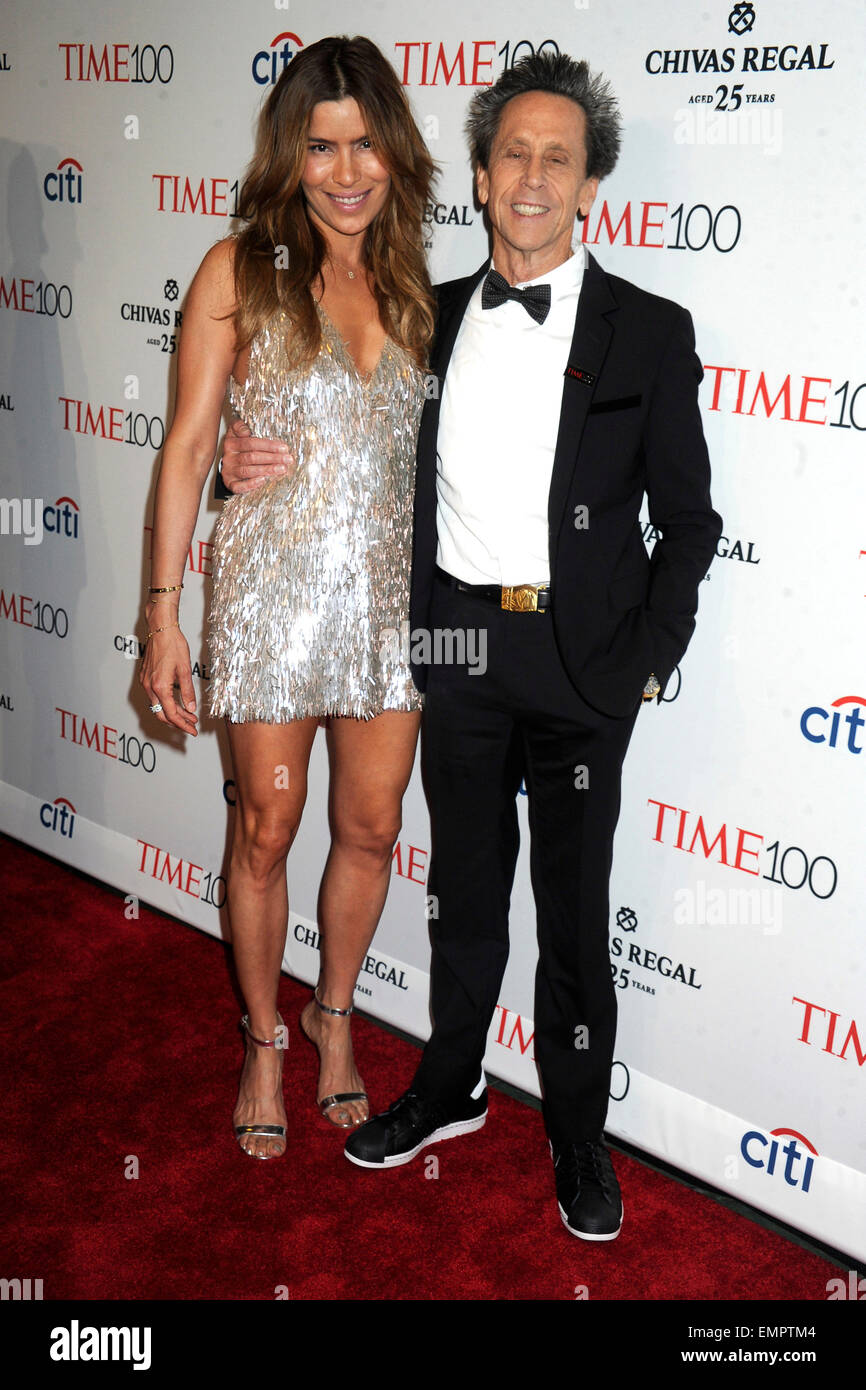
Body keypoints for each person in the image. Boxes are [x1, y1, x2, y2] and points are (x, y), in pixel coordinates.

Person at [221, 51, 722, 1235]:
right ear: (482, 174)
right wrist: (242, 461)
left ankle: (578, 1134)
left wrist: (649, 652)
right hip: (451, 651)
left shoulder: (648, 331)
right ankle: (447, 1087)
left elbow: (689, 518)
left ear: (589, 182)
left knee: (575, 912)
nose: (533, 177)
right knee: (460, 892)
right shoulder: (425, 313)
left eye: (558, 158)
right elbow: (334, 434)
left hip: (585, 664)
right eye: (513, 154)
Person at [140, 35, 435, 1159]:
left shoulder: (408, 282)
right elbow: (182, 449)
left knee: (370, 826)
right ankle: (263, 1037)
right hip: (269, 603)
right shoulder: (240, 268)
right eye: (321, 146)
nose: (346, 169)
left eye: (365, 145)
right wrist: (162, 613)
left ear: (393, 152)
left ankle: (334, 1014)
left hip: (384, 610)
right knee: (264, 829)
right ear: (291, 152)